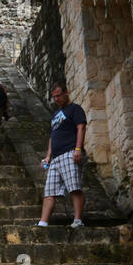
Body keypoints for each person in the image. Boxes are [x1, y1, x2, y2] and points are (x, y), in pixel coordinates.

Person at [38, 82, 87, 228]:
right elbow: (53, 137)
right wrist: (48, 156)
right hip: (56, 158)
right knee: (49, 191)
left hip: (70, 152)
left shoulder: (75, 109)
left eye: (59, 95)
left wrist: (78, 149)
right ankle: (43, 223)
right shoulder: (55, 115)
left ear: (66, 92)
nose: (56, 99)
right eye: (54, 97)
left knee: (74, 187)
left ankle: (78, 221)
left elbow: (81, 127)